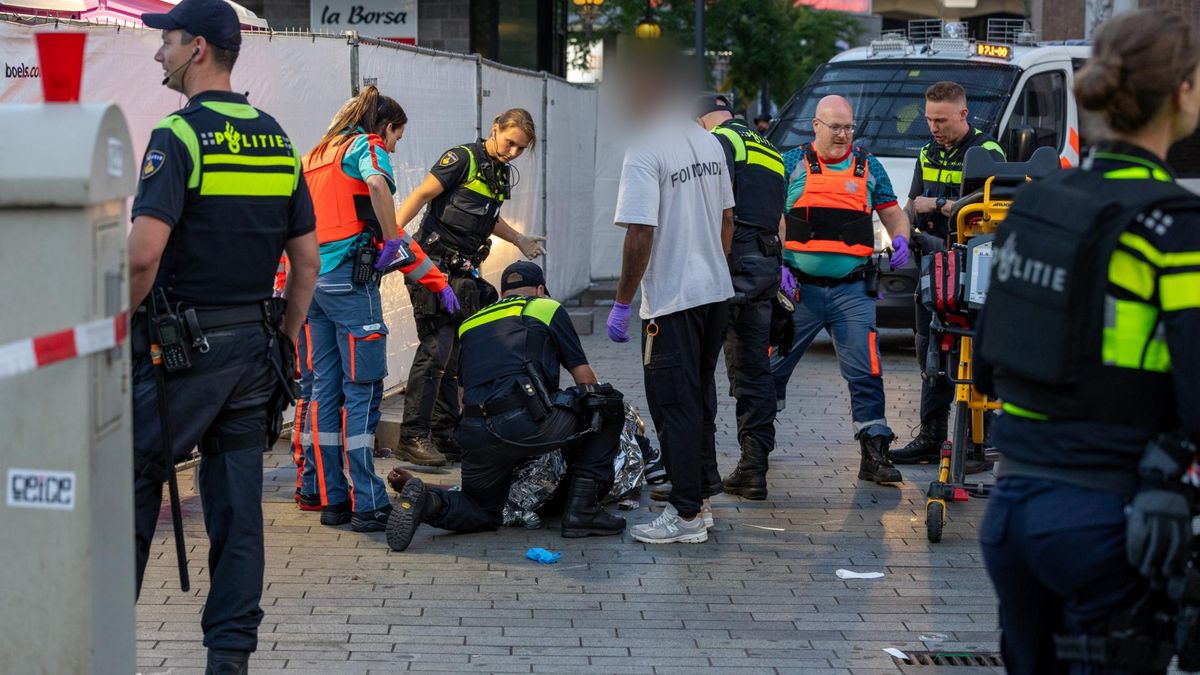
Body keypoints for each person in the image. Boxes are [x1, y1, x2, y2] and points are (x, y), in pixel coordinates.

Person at [975, 10, 1200, 672]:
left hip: (1013, 511)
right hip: (1109, 520)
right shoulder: (1173, 225)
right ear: (1182, 91)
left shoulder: (1037, 204)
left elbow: (987, 366)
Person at [127, 0, 320, 670]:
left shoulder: (177, 136)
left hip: (181, 353)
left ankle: (98, 633)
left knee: (129, 474)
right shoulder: (277, 139)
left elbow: (144, 254)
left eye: (168, 42)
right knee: (237, 505)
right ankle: (229, 659)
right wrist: (286, 342)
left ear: (199, 49)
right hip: (254, 351)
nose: (160, 53)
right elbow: (307, 262)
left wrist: (117, 323)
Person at [298, 87, 458, 531]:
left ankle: (332, 500)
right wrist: (389, 236)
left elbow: (377, 233)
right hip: (351, 286)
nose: (393, 148)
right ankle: (368, 504)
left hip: (310, 284)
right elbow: (381, 206)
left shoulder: (317, 154)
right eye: (397, 139)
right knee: (363, 393)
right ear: (385, 127)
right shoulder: (365, 147)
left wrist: (436, 281)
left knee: (323, 393)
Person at [384, 261, 626, 551]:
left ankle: (430, 502)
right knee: (607, 404)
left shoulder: (472, 322)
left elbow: (463, 394)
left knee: (483, 509)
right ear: (540, 289)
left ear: (502, 294)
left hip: (474, 432)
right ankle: (582, 512)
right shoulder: (546, 307)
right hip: (528, 423)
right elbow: (586, 381)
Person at [605, 62, 736, 544]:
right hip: (713, 294)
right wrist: (711, 266)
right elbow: (728, 218)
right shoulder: (708, 142)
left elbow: (641, 232)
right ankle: (699, 502)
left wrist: (622, 302)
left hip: (674, 302)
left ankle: (683, 518)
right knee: (699, 399)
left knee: (673, 404)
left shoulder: (644, 150)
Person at [391, 109, 546, 468]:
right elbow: (420, 196)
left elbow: (489, 217)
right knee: (436, 348)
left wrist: (519, 238)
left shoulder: (500, 172)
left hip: (462, 272)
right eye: (510, 143)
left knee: (456, 354)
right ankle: (413, 436)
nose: (512, 152)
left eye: (520, 149)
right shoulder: (461, 158)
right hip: (431, 264)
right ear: (495, 128)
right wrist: (391, 236)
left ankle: (445, 435)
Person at [773, 95, 911, 484]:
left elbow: (894, 214)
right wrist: (780, 261)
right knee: (769, 368)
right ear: (815, 126)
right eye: (835, 128)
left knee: (866, 370)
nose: (843, 135)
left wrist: (901, 239)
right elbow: (774, 218)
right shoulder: (790, 164)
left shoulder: (869, 167)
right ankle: (755, 451)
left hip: (852, 291)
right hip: (798, 290)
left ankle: (875, 453)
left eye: (849, 127)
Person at [891, 81, 1006, 470]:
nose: (934, 127)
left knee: (971, 351)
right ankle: (930, 437)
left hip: (971, 266)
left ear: (963, 114)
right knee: (929, 348)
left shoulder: (986, 151)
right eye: (929, 119)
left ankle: (979, 443)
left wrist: (938, 204)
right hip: (933, 264)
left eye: (941, 120)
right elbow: (911, 204)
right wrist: (900, 237)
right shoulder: (927, 151)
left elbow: (989, 209)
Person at [696, 95, 787, 500]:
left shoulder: (719, 141)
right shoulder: (770, 149)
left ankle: (697, 473)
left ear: (700, 121)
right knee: (753, 371)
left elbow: (715, 207)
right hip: (764, 269)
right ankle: (753, 470)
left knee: (695, 367)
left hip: (728, 261)